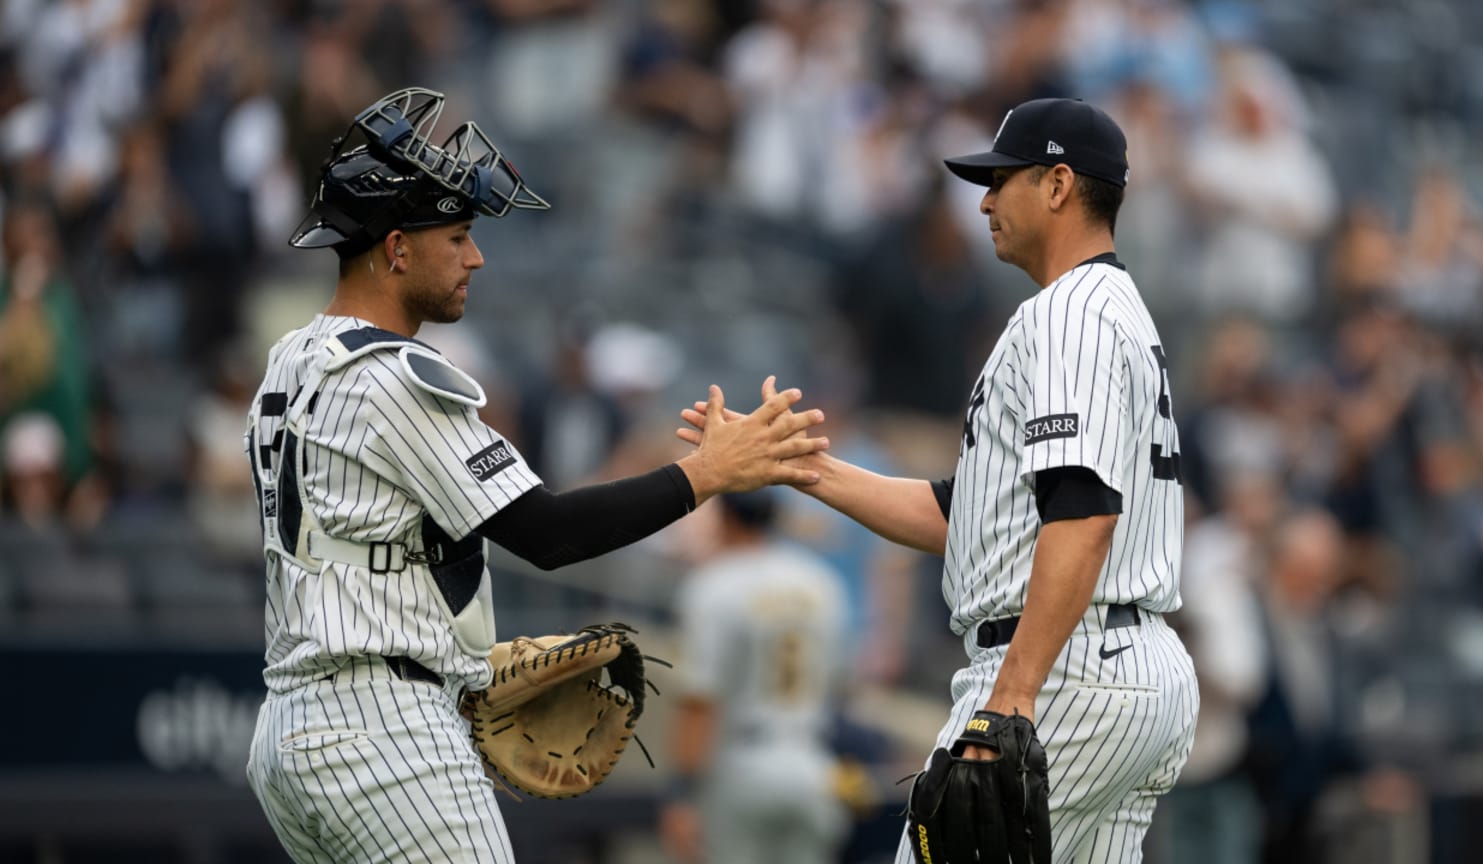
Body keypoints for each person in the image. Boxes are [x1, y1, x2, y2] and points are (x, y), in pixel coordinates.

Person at [242, 87, 828, 864]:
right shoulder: (393, 374)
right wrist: (706, 472)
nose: (475, 257)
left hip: (289, 728)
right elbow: (546, 535)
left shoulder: (290, 360)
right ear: (396, 248)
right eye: (456, 236)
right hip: (381, 733)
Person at [680, 97, 1199, 862]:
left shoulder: (1066, 316)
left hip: (1063, 670)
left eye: (1002, 180)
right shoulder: (1115, 312)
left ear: (1058, 185)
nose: (984, 201)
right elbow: (970, 517)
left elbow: (1084, 514)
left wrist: (1013, 696)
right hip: (1124, 665)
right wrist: (804, 467)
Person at [659, 489, 850, 864]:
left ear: (725, 517)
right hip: (813, 765)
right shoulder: (820, 581)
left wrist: (680, 795)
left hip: (740, 765)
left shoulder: (715, 584)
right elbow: (841, 683)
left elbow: (700, 699)